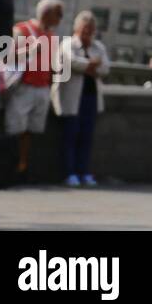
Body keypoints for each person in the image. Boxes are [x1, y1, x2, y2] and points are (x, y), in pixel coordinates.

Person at [6, 0, 63, 182]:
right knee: (16, 129)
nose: (60, 19)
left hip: (43, 87)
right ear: (47, 14)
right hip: (24, 86)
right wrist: (31, 51)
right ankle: (10, 166)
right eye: (58, 15)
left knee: (31, 130)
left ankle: (23, 166)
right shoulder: (22, 30)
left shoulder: (52, 36)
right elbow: (6, 58)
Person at [51, 10, 110, 187]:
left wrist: (87, 66)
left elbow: (105, 69)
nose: (88, 33)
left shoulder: (99, 46)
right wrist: (91, 64)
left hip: (90, 97)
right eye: (85, 29)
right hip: (71, 97)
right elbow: (71, 62)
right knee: (70, 136)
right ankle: (69, 172)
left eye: (91, 30)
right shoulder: (68, 44)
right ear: (77, 29)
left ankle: (83, 171)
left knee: (86, 137)